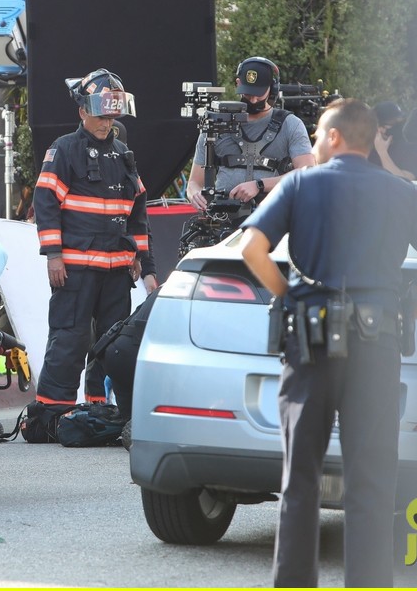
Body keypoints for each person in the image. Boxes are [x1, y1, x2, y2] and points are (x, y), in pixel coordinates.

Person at [237, 99, 417, 587]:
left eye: (317, 133)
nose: (314, 141)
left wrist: (288, 295)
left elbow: (253, 248)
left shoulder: (299, 183)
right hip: (377, 347)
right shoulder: (401, 193)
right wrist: (408, 312)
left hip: (311, 346)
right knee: (373, 486)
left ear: (334, 136)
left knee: (300, 484)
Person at [28, 69, 157, 436]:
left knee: (109, 344)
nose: (107, 121)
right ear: (83, 111)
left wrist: (140, 260)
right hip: (75, 269)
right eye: (101, 114)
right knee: (70, 338)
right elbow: (46, 202)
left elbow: (137, 213)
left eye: (112, 114)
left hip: (117, 272)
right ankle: (52, 415)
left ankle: (97, 413)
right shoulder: (65, 149)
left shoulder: (122, 153)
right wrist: (53, 254)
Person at [185, 56, 314, 213]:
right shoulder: (215, 123)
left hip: (271, 216)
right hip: (222, 218)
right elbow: (193, 182)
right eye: (247, 93)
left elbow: (307, 173)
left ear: (272, 89)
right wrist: (195, 195)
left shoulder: (290, 124)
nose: (253, 100)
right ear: (238, 84)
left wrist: (259, 185)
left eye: (259, 94)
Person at [370, 100, 417, 180]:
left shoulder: (410, 148)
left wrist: (382, 153)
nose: (380, 131)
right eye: (377, 126)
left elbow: (405, 182)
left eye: (385, 127)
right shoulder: (368, 146)